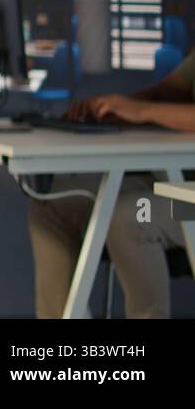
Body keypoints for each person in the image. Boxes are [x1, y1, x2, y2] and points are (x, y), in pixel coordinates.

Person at [27, 51, 194, 318]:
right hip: (168, 181)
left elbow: (151, 108)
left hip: (189, 201)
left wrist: (143, 111)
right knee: (53, 206)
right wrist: (113, 107)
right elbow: (168, 90)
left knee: (131, 216)